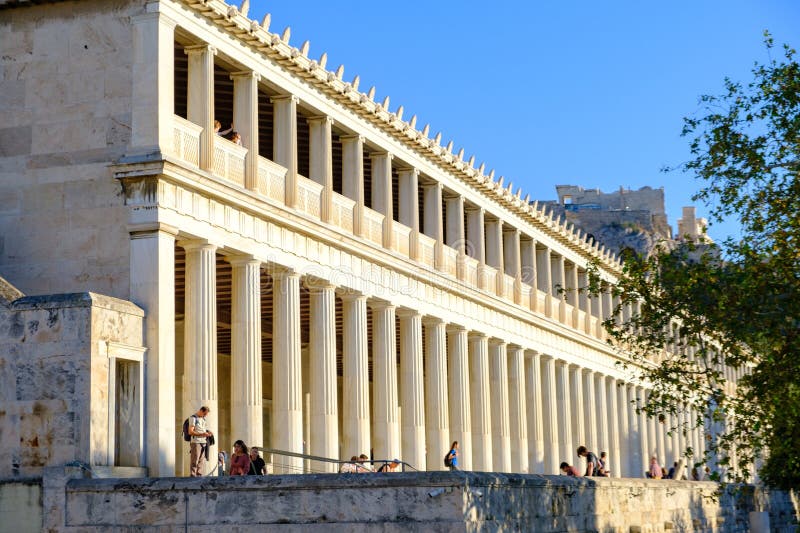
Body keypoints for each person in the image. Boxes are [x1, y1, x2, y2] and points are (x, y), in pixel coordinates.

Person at [188, 406, 213, 477]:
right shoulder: (193, 418)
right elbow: (190, 432)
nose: (205, 415)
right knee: (194, 460)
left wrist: (208, 432)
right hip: (196, 442)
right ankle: (193, 476)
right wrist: (202, 434)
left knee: (201, 461)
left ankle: (199, 476)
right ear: (201, 410)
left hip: (203, 442)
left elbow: (202, 429)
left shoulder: (203, 419)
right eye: (204, 414)